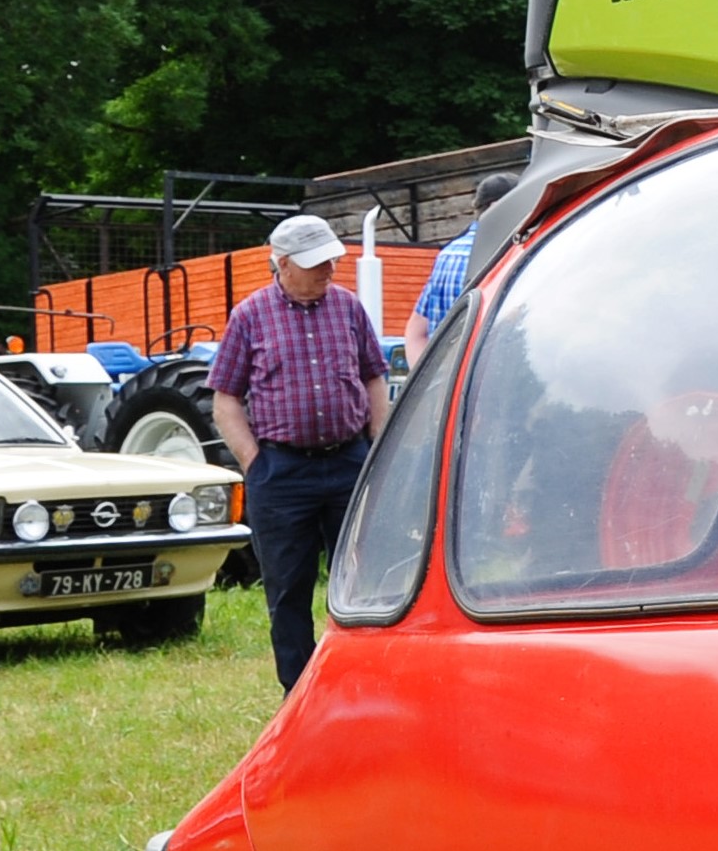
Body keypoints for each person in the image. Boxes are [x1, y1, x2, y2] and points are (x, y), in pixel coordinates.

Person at [210, 212, 393, 687]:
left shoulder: (349, 308)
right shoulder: (249, 316)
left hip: (349, 463)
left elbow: (374, 377)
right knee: (287, 588)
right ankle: (299, 693)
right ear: (283, 263)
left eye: (331, 260)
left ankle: (364, 680)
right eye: (317, 263)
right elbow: (225, 399)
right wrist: (254, 462)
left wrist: (378, 445)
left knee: (364, 581)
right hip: (281, 472)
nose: (329, 270)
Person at [401, 170, 522, 359]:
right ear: (498, 208)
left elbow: (415, 333)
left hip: (448, 374)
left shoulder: (446, 255)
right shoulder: (508, 255)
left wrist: (430, 377)